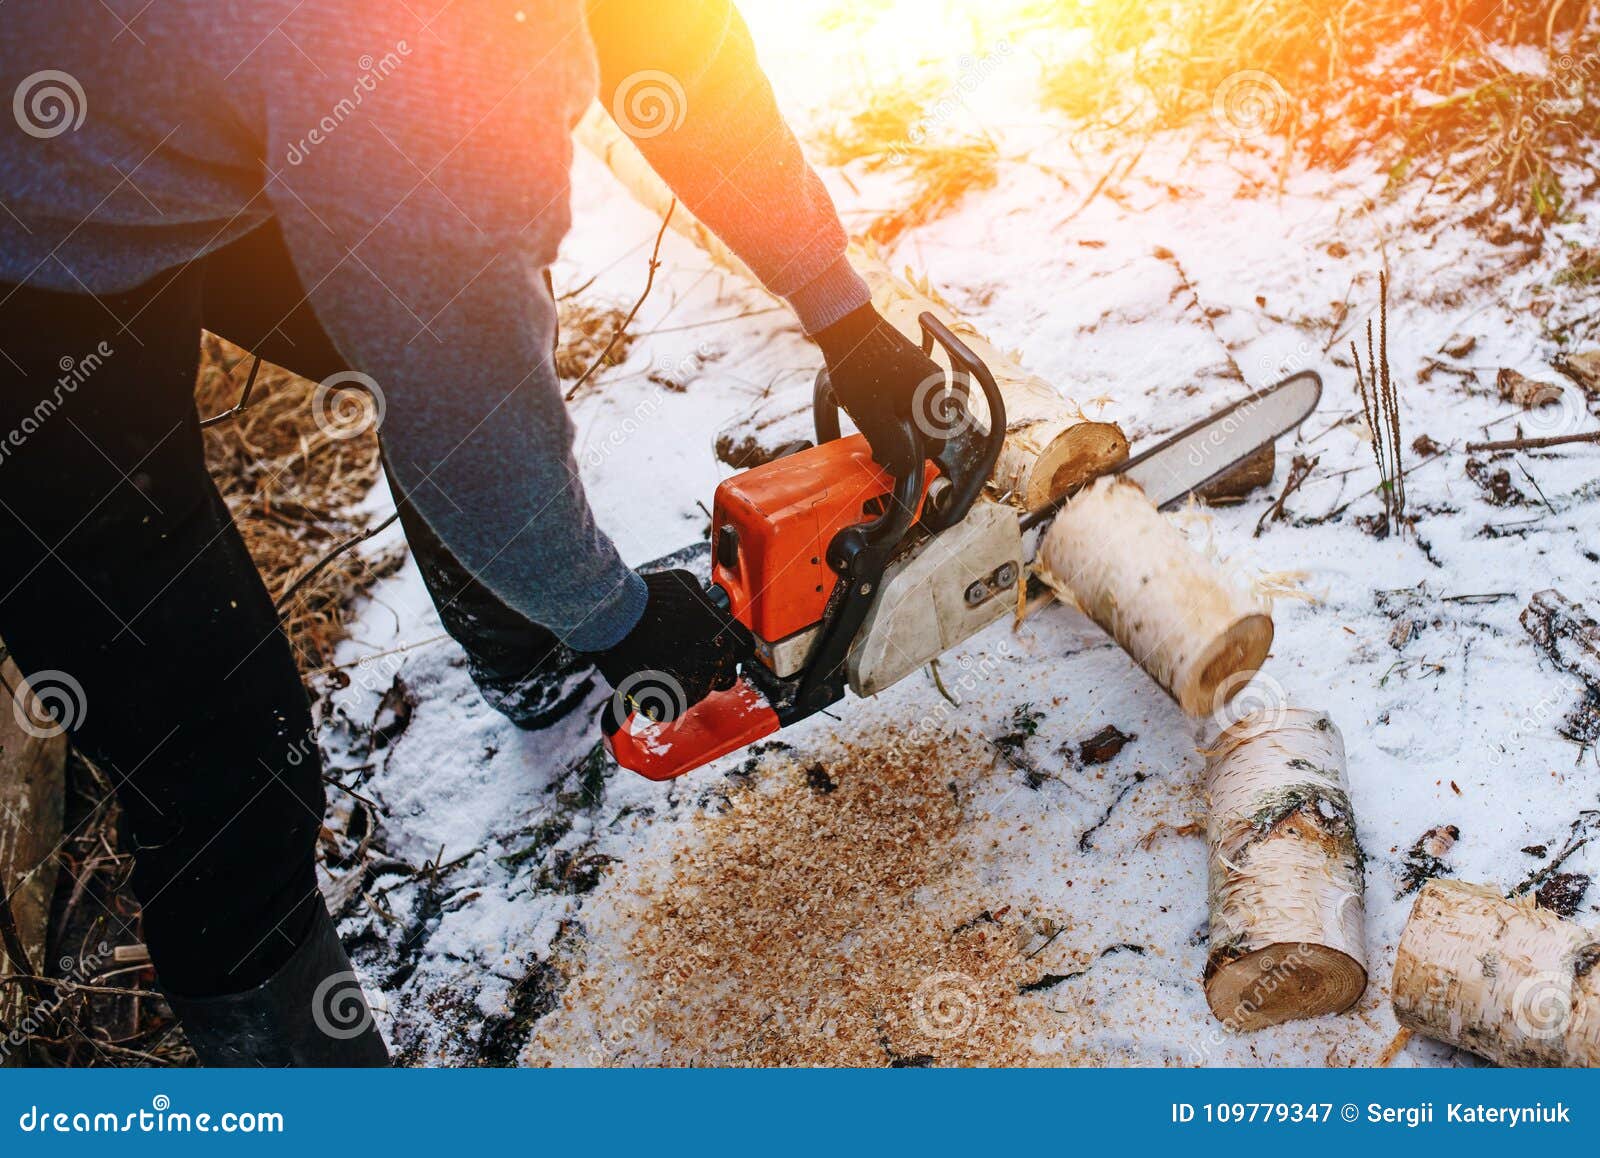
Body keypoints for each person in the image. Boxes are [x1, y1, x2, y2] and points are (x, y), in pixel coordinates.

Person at [0, 1, 944, 1065]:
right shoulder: (431, 48)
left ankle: (526, 654)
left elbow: (681, 61)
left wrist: (842, 313)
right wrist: (609, 613)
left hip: (184, 104)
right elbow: (455, 382)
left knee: (458, 305)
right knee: (220, 763)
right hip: (28, 249)